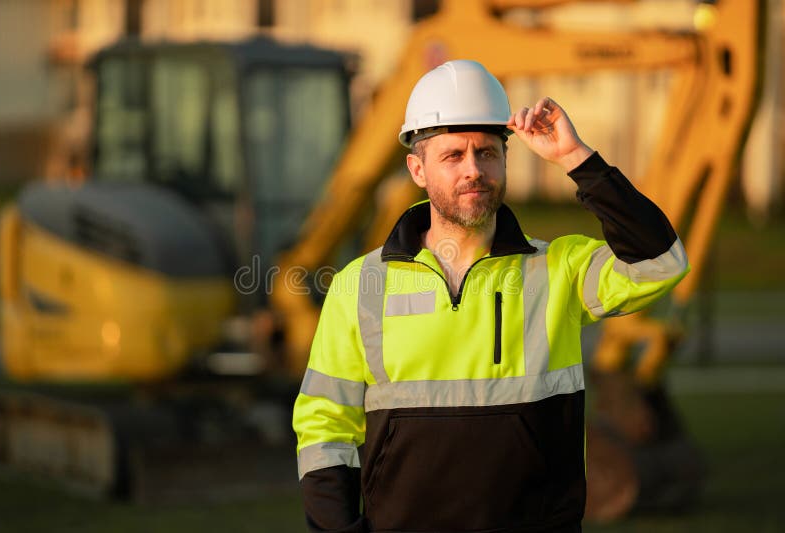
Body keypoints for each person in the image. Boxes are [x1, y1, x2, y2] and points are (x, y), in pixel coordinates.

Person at [292, 59, 689, 533]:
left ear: (505, 159)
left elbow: (661, 262)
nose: (473, 170)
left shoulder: (558, 270)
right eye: (453, 155)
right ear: (417, 169)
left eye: (487, 153)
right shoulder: (360, 284)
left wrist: (576, 158)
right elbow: (324, 426)